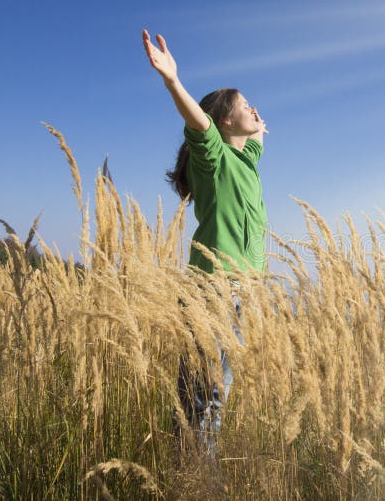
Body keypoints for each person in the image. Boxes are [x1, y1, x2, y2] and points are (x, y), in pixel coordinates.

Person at [142, 29, 268, 455]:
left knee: (215, 397)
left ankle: (190, 467)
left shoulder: (246, 161)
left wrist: (258, 127)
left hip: (240, 293)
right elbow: (199, 124)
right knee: (205, 398)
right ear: (224, 121)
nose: (253, 108)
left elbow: (255, 142)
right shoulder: (212, 157)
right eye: (245, 105)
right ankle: (196, 476)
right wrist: (173, 81)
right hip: (212, 291)